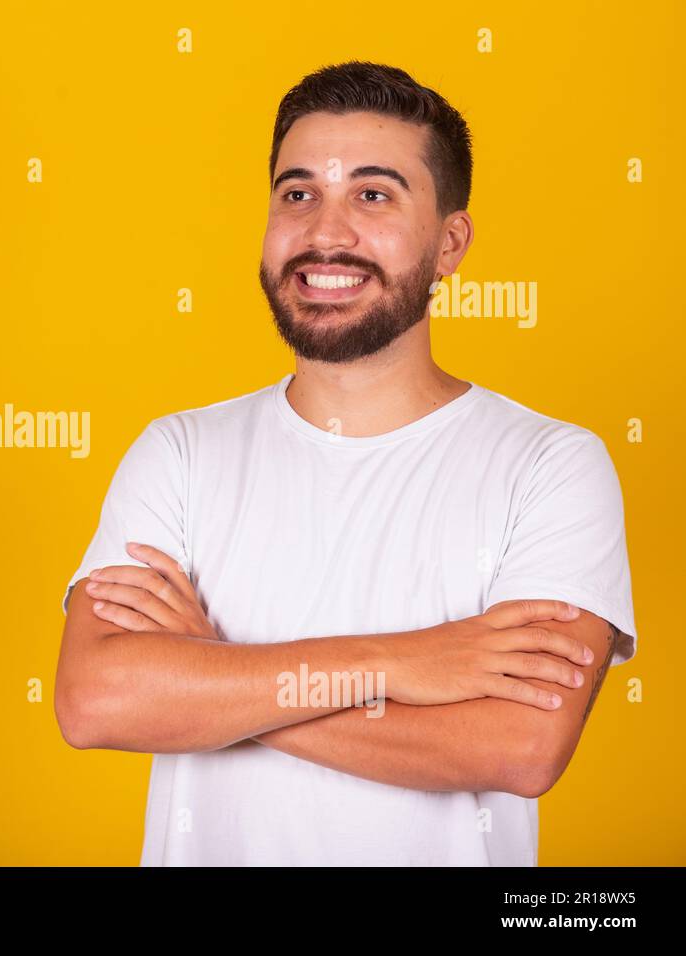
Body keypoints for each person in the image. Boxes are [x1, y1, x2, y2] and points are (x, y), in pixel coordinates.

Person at [55, 61, 637, 866]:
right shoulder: (179, 453)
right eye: (297, 194)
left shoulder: (551, 465)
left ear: (450, 244)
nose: (326, 233)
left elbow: (519, 747)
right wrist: (404, 662)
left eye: (374, 195)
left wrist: (213, 682)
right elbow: (97, 701)